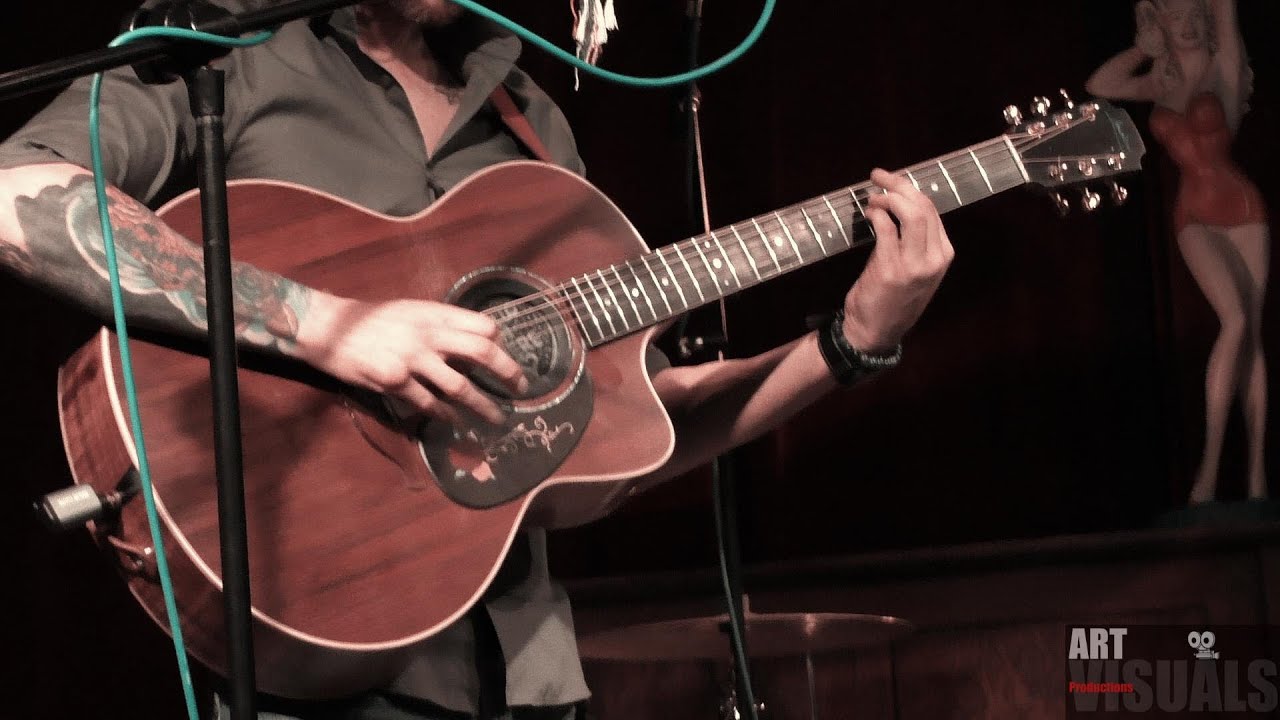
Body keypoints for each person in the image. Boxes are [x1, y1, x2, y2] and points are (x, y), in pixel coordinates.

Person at [0, 0, 954, 718]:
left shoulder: (535, 123)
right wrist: (324, 324)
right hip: (309, 655)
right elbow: (17, 191)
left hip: (531, 677)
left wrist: (851, 342)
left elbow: (618, 436)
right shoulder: (237, 58)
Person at [1086, 0, 1269, 504]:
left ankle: (1255, 476)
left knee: (1250, 333)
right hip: (1192, 212)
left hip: (1245, 207)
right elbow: (1099, 86)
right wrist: (1138, 50)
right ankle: (1207, 474)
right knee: (1234, 319)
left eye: (1193, 14)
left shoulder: (1224, 65)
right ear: (1158, 23)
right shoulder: (1159, 82)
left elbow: (1228, 12)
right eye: (1174, 16)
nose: (1186, 24)